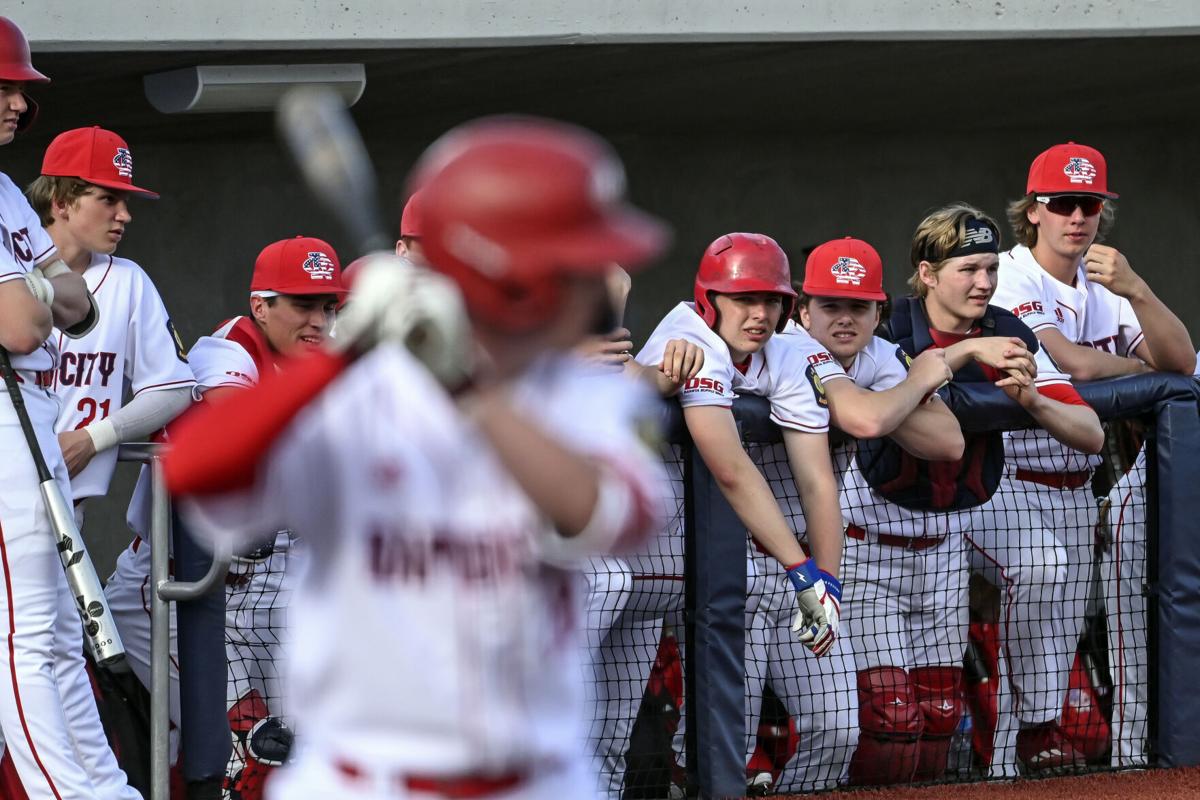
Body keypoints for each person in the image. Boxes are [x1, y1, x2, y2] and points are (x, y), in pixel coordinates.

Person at [164, 115, 672, 800]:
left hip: (540, 781)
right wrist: (345, 353)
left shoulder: (592, 395)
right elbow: (193, 468)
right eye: (576, 267)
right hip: (360, 783)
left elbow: (617, 515)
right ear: (510, 278)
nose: (600, 287)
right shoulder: (360, 393)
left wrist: (467, 388)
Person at [839, 204, 1104, 785]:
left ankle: (1036, 724)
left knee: (942, 710)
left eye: (990, 268)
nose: (984, 282)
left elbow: (1092, 434)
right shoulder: (888, 325)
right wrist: (962, 354)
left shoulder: (1009, 330)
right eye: (968, 269)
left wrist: (1032, 400)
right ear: (928, 274)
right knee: (888, 719)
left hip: (961, 519)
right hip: (871, 531)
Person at [591, 232, 844, 798]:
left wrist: (826, 579)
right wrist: (800, 568)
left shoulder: (790, 350)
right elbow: (729, 468)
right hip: (614, 550)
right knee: (584, 730)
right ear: (710, 300)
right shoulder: (691, 338)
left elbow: (816, 477)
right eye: (743, 298)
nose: (760, 313)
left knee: (608, 739)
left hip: (673, 563)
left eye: (772, 299)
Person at [104, 235, 347, 796]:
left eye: (327, 306)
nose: (318, 321)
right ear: (261, 305)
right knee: (248, 746)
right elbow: (238, 428)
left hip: (260, 604)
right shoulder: (228, 348)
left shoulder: (325, 361)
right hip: (170, 597)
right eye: (302, 305)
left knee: (298, 750)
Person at [982, 142, 1194, 772]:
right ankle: (997, 763)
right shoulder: (1010, 273)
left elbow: (1182, 362)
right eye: (1063, 204)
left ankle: (1025, 757)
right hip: (1008, 482)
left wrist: (1138, 289)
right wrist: (1143, 374)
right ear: (1034, 211)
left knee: (1061, 634)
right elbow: (1068, 362)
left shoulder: (1106, 285)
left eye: (1090, 205)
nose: (1078, 217)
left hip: (1077, 485)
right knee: (1034, 588)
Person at [742, 236, 962, 794]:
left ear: (878, 313)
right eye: (830, 305)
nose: (844, 319)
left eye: (858, 307)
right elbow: (864, 421)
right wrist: (920, 380)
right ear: (802, 311)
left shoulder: (877, 356)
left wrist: (888, 400)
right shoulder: (792, 346)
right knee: (725, 741)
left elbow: (949, 441)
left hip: (807, 562)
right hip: (738, 561)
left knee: (839, 728)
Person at [0, 16, 141, 800]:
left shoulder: (3, 193)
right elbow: (25, 324)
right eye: (4, 87)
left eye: (21, 89)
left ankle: (103, 788)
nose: (20, 103)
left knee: (59, 627)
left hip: (34, 408)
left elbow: (77, 305)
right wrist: (41, 290)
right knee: (24, 631)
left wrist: (39, 290)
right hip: (3, 413)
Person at [23, 126, 195, 524]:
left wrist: (94, 438)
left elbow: (173, 388)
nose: (124, 215)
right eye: (108, 199)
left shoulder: (127, 280)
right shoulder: (9, 268)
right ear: (61, 201)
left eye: (125, 201)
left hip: (66, 513)